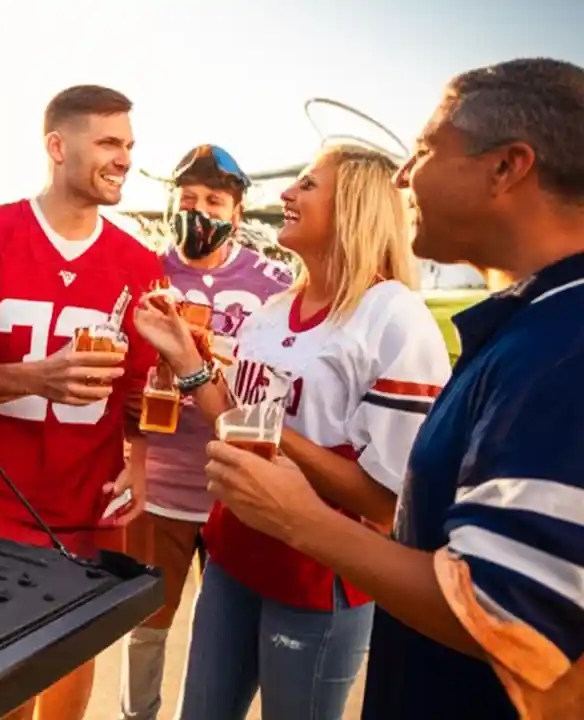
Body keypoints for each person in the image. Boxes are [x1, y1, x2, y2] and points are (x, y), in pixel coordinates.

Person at [195, 57, 584, 720]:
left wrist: (299, 517)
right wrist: (190, 363)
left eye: (426, 149)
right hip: (248, 563)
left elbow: (506, 614)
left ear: (505, 167)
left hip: (318, 592)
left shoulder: (563, 344)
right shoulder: (531, 326)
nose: (403, 176)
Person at [132, 143, 452, 719]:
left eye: (307, 184)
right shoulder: (274, 309)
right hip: (233, 556)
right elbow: (235, 422)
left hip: (315, 577)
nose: (285, 193)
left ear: (353, 205)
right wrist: (186, 359)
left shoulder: (394, 317)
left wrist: (273, 436)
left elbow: (387, 503)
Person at [0, 84, 163, 720]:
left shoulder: (140, 264)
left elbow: (141, 390)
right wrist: (35, 379)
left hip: (86, 502)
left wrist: (139, 461)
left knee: (68, 669)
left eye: (129, 144)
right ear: (57, 146)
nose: (124, 159)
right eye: (108, 142)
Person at [106, 145, 292, 720]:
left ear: (237, 212)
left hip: (233, 485)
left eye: (214, 201)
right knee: (147, 624)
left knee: (226, 634)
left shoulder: (274, 281)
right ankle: (138, 715)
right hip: (160, 482)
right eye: (188, 198)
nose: (199, 211)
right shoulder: (140, 269)